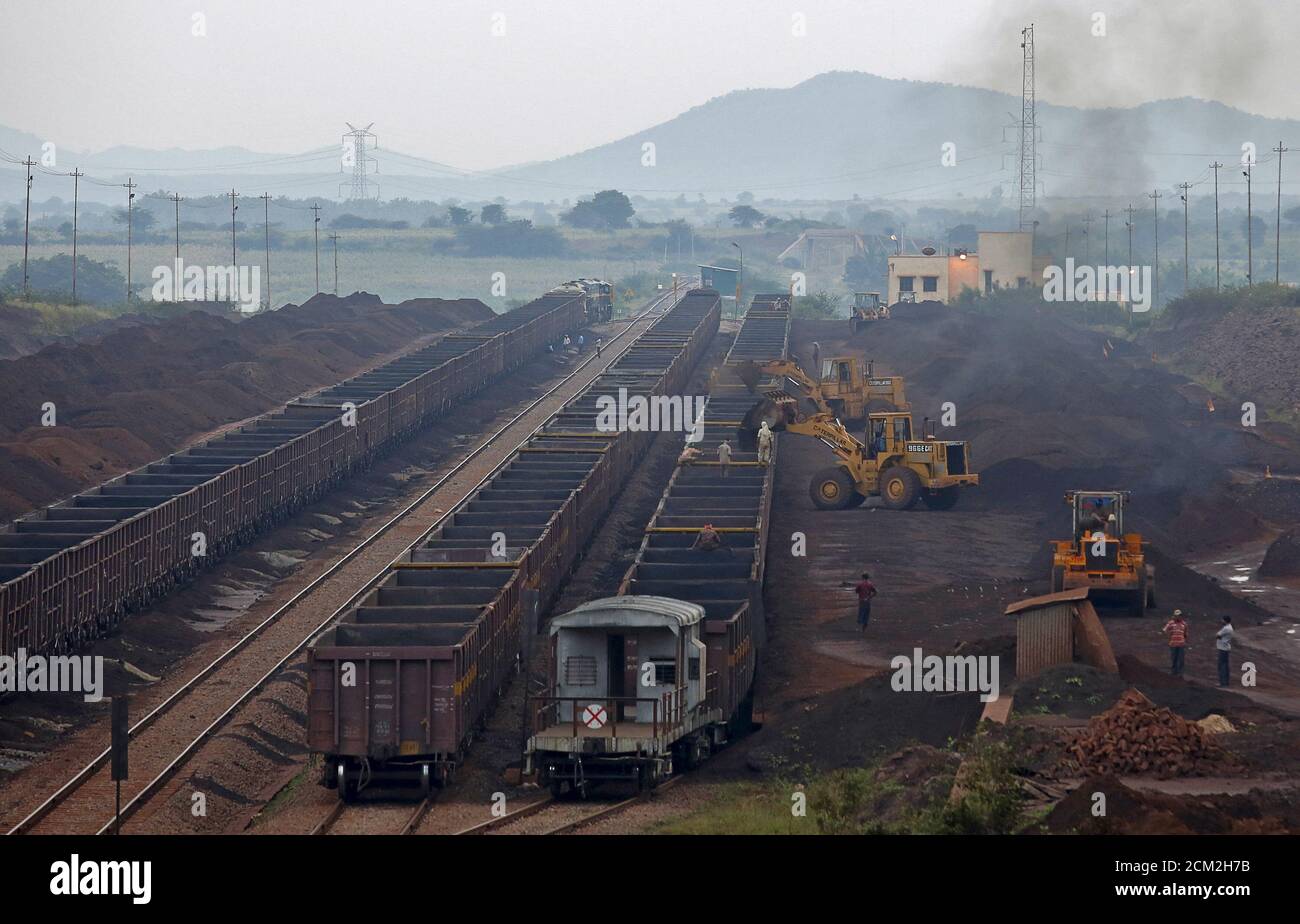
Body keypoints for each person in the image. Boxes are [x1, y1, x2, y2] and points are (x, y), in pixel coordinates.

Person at [1162, 609, 1188, 677]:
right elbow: (1165, 630)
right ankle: (1174, 672)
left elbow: (1185, 633)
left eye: (1179, 616)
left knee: (1181, 659)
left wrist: (1184, 640)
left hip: (1181, 644)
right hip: (1173, 644)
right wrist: (1169, 634)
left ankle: (1180, 673)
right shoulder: (1171, 623)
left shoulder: (1184, 624)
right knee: (1174, 658)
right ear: (1174, 616)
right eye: (1176, 616)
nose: (1178, 617)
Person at [1216, 615, 1234, 687]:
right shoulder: (1228, 627)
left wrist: (1219, 636)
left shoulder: (1226, 628)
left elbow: (1217, 635)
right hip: (1225, 648)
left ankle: (1223, 683)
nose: (1221, 621)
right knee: (1225, 666)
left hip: (1223, 649)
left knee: (1222, 666)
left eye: (1222, 620)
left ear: (1225, 621)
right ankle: (1225, 682)